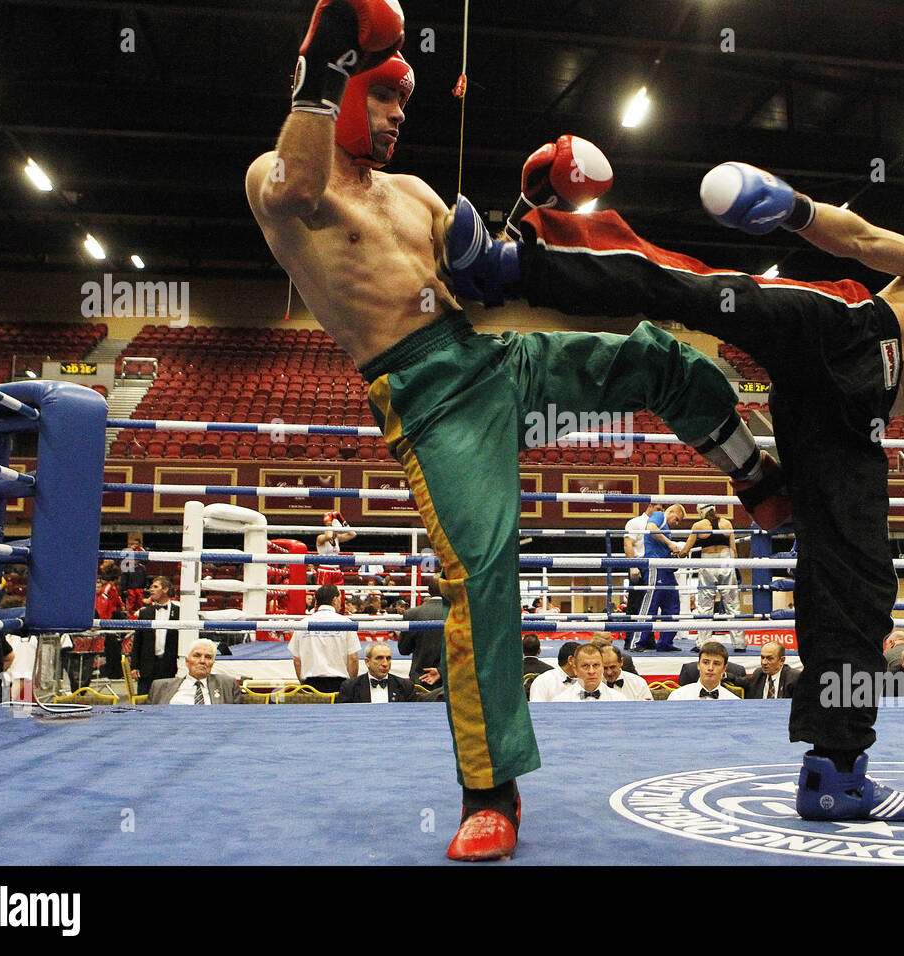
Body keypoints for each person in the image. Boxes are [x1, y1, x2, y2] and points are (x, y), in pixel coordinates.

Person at [245, 0, 789, 861]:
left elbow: (484, 287)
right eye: (385, 98)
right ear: (345, 86)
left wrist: (519, 219)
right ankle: (490, 793)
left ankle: (757, 479)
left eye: (402, 106)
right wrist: (324, 57)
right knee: (485, 578)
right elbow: (303, 187)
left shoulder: (416, 193)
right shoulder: (277, 177)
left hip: (490, 357)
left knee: (653, 358)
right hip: (430, 398)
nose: (394, 119)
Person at [443, 155, 904, 823]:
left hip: (851, 418)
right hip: (844, 329)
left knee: (860, 589)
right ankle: (511, 263)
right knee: (702, 291)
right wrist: (796, 209)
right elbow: (867, 239)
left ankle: (836, 771)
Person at [681, 503, 744, 653]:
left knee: (705, 605)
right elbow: (733, 549)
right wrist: (735, 568)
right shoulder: (727, 523)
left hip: (708, 562)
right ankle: (740, 644)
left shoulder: (698, 525)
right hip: (726, 561)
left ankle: (703, 643)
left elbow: (686, 550)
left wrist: (678, 553)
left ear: (701, 512)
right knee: (732, 603)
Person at [636, 503, 688, 653]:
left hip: (666, 568)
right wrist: (670, 544)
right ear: (670, 511)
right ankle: (639, 641)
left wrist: (671, 552)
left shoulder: (667, 529)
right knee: (651, 602)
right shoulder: (660, 516)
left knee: (673, 605)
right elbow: (651, 529)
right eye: (677, 519)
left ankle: (665, 643)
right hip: (655, 564)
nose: (677, 523)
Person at [291, 584, 360, 694]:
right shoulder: (346, 623)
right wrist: (350, 685)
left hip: (310, 683)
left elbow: (297, 660)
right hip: (340, 683)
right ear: (335, 600)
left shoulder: (303, 624)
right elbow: (353, 658)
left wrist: (303, 684)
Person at [130, 576, 181, 696]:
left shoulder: (179, 612)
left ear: (165, 589)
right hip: (146, 665)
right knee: (144, 701)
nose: (151, 590)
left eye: (155, 587)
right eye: (151, 587)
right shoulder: (145, 612)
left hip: (169, 665)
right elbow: (138, 640)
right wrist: (134, 666)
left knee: (167, 700)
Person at [146, 640, 240, 705]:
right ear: (187, 661)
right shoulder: (160, 687)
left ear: (212, 663)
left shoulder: (228, 684)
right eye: (197, 655)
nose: (202, 661)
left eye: (208, 657)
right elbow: (148, 719)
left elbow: (237, 720)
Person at [622, 503, 662, 650]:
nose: (660, 513)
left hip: (654, 566)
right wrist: (633, 565)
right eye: (658, 509)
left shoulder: (659, 525)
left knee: (651, 604)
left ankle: (647, 639)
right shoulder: (635, 522)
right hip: (639, 564)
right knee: (635, 603)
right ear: (650, 506)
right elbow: (628, 544)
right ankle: (630, 640)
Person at [399, 578, 446, 690]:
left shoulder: (412, 614)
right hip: (449, 678)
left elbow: (404, 650)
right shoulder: (458, 613)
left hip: (420, 678)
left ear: (429, 591)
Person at [337, 643, 417, 703]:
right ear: (367, 662)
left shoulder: (406, 687)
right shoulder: (350, 687)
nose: (385, 664)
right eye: (379, 658)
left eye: (388, 658)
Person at [668, 641, 741, 700]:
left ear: (724, 668)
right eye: (706, 662)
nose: (710, 668)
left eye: (716, 663)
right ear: (698, 665)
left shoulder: (734, 701)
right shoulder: (678, 697)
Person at [315, 511, 357, 588]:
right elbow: (328, 536)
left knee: (339, 594)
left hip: (336, 570)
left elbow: (353, 534)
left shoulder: (337, 538)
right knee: (325, 595)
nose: (336, 532)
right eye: (335, 530)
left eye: (337, 530)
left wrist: (342, 519)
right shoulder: (320, 538)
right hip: (325, 570)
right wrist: (328, 522)